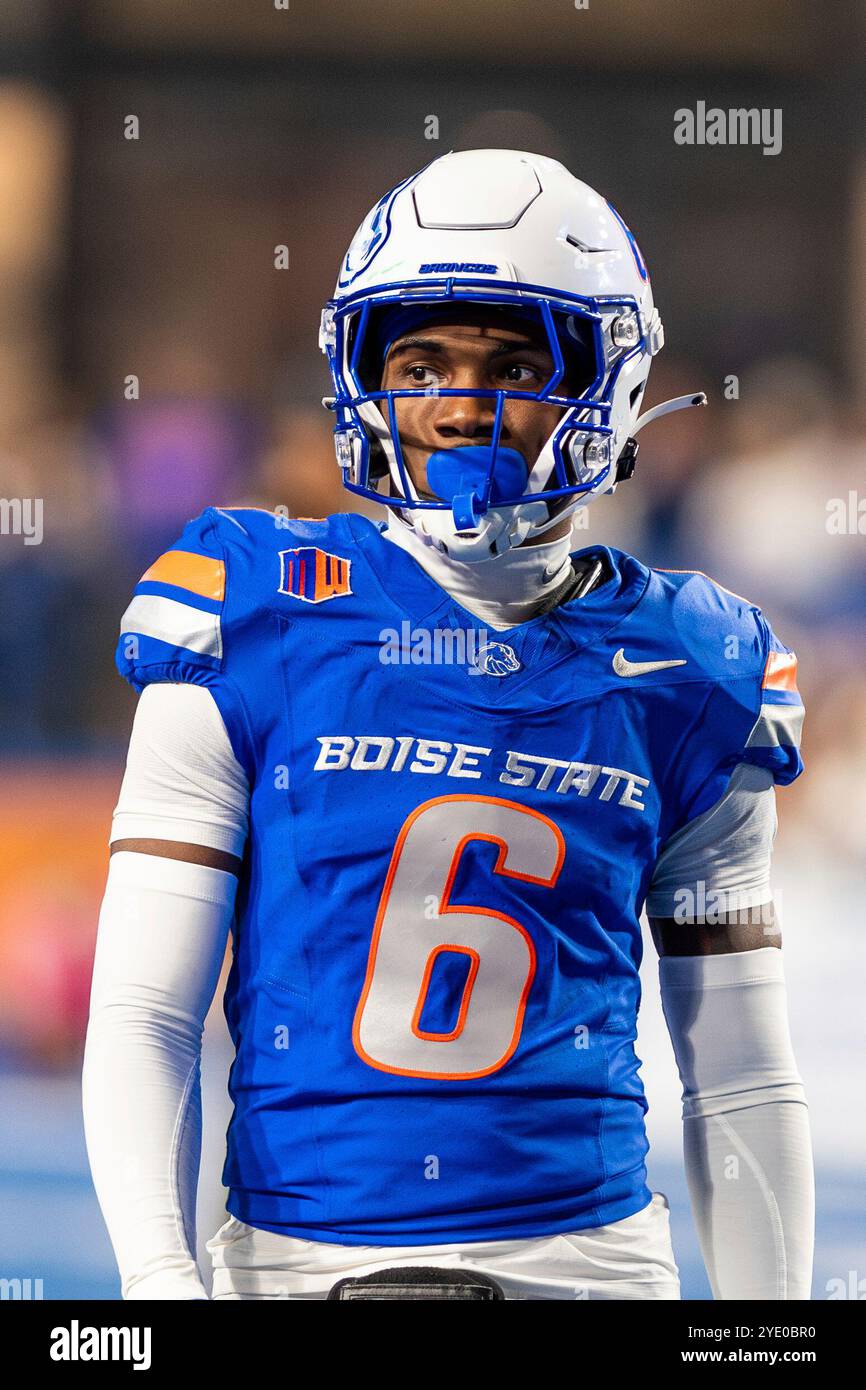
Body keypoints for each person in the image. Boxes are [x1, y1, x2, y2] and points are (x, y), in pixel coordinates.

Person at [82, 149, 814, 1301]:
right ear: (359, 372)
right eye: (418, 360)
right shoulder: (253, 611)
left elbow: (736, 1074)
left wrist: (767, 1335)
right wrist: (160, 1291)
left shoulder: (691, 665)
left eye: (512, 363)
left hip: (588, 1270)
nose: (460, 402)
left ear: (606, 384)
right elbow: (144, 1014)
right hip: (293, 1266)